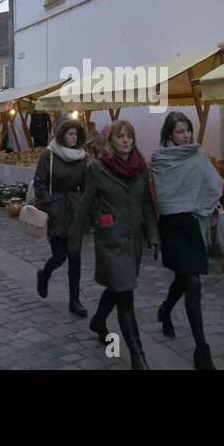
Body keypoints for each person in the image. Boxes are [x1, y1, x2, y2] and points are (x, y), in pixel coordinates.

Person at [69, 120, 160, 370]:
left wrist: (153, 235)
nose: (125, 141)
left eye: (129, 136)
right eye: (120, 136)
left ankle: (98, 320)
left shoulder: (141, 168)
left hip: (134, 242)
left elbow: (146, 205)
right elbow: (86, 202)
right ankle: (137, 355)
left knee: (119, 287)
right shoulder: (98, 168)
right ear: (111, 140)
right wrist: (74, 238)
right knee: (125, 294)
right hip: (110, 239)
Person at [150, 112, 223, 370]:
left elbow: (213, 183)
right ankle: (202, 349)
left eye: (188, 130)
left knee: (186, 278)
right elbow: (156, 194)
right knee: (191, 280)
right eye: (180, 131)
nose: (186, 135)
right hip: (171, 226)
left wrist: (203, 206)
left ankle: (166, 309)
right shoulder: (159, 159)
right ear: (169, 134)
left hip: (192, 223)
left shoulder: (196, 154)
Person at [33, 118, 89, 317]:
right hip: (56, 211)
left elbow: (86, 186)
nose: (73, 138)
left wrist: (84, 206)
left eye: (76, 134)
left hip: (75, 211)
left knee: (75, 257)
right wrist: (50, 203)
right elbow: (39, 183)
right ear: (62, 135)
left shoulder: (82, 158)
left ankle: (75, 300)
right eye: (69, 134)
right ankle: (45, 273)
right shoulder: (48, 155)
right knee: (60, 255)